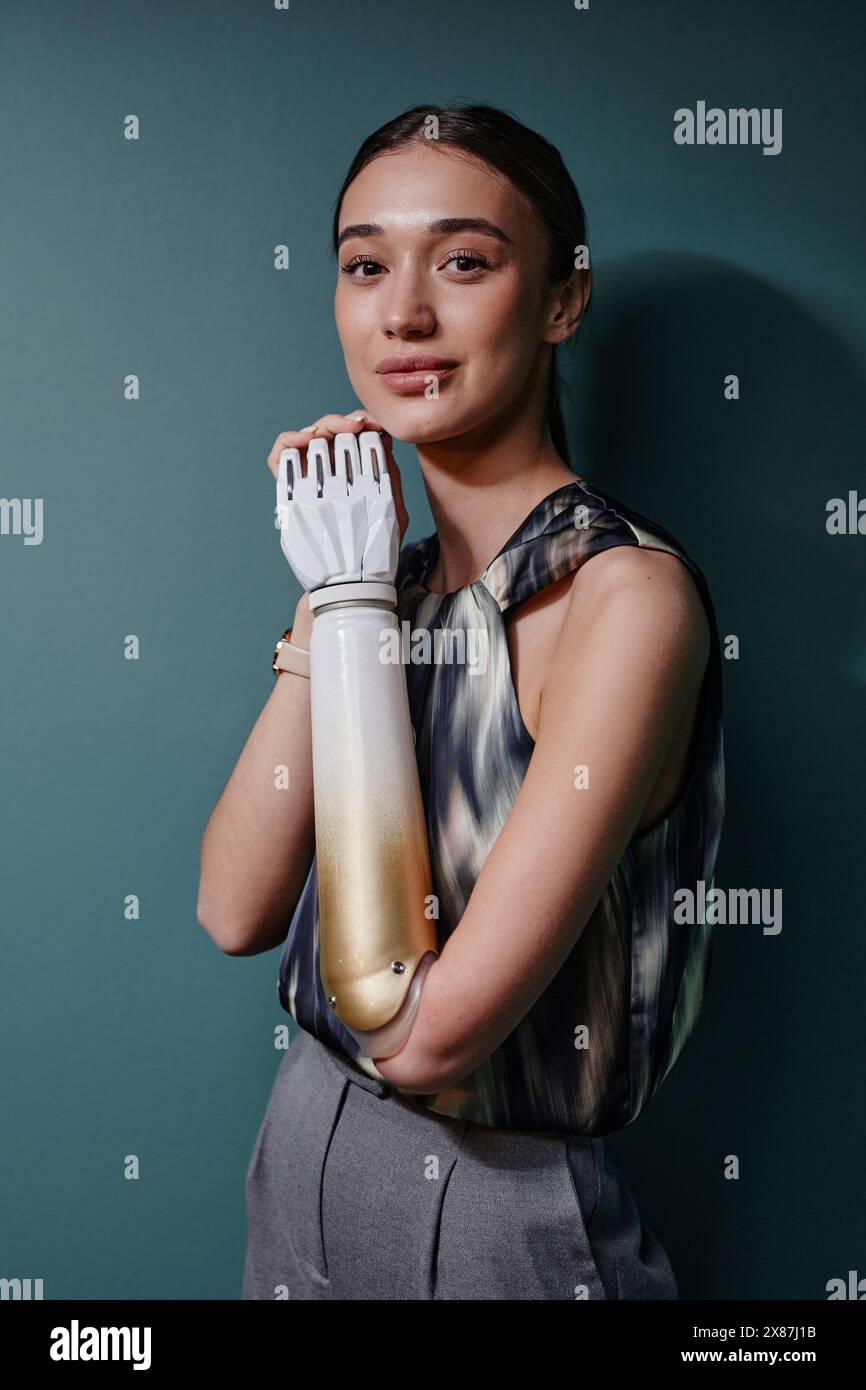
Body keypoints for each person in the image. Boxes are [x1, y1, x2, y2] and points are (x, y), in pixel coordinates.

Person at [197, 101, 725, 1301]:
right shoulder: (378, 580)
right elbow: (231, 903)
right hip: (302, 1153)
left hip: (488, 1212)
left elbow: (429, 1033)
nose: (403, 313)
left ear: (559, 300)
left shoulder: (621, 599)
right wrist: (341, 604)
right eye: (365, 265)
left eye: (465, 260)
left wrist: (349, 599)